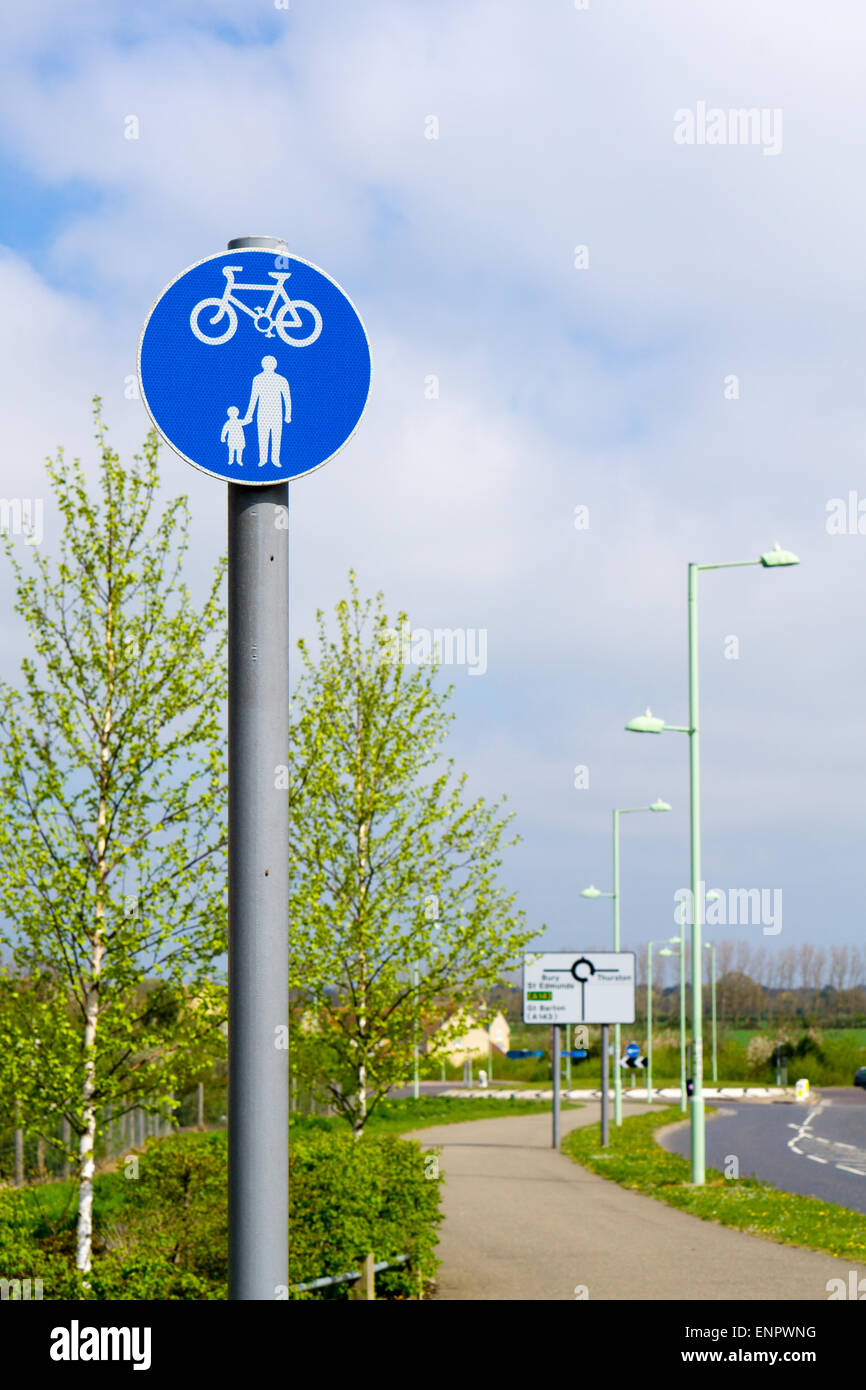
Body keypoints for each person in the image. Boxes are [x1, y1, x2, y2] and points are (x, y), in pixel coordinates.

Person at [241, 356, 291, 467]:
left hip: (277, 413)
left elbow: (287, 399)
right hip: (262, 413)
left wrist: (288, 415)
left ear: (275, 365)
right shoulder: (258, 379)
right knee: (262, 436)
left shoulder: (281, 380)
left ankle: (275, 459)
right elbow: (253, 398)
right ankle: (262, 459)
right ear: (263, 365)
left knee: (276, 437)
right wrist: (249, 415)